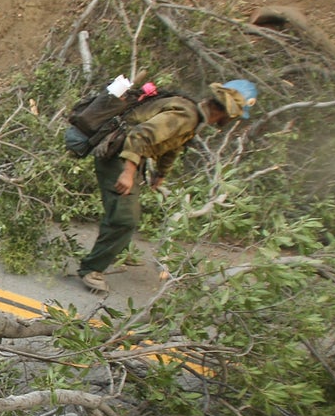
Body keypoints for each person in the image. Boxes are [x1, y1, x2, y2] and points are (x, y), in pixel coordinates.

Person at [77, 79, 258, 293]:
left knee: (125, 211)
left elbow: (173, 147)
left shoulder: (193, 115)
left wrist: (161, 173)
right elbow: (140, 135)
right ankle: (92, 270)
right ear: (228, 112)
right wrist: (128, 173)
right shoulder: (187, 115)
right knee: (124, 217)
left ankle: (115, 253)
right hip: (118, 155)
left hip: (126, 155)